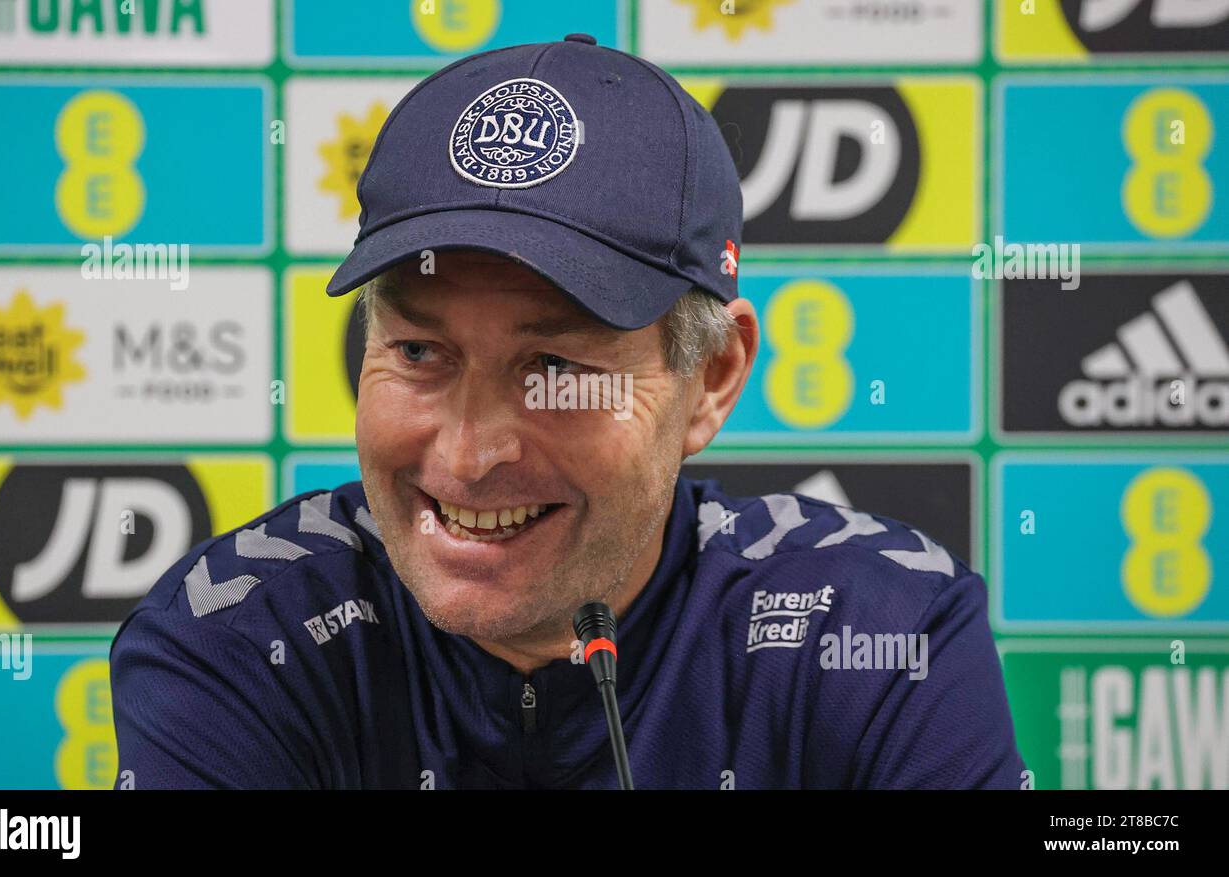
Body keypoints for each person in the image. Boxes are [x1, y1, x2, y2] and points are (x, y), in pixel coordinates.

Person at [110, 34, 1024, 789]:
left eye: (553, 366)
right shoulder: (237, 638)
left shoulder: (875, 632)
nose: (468, 457)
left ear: (711, 375)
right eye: (421, 354)